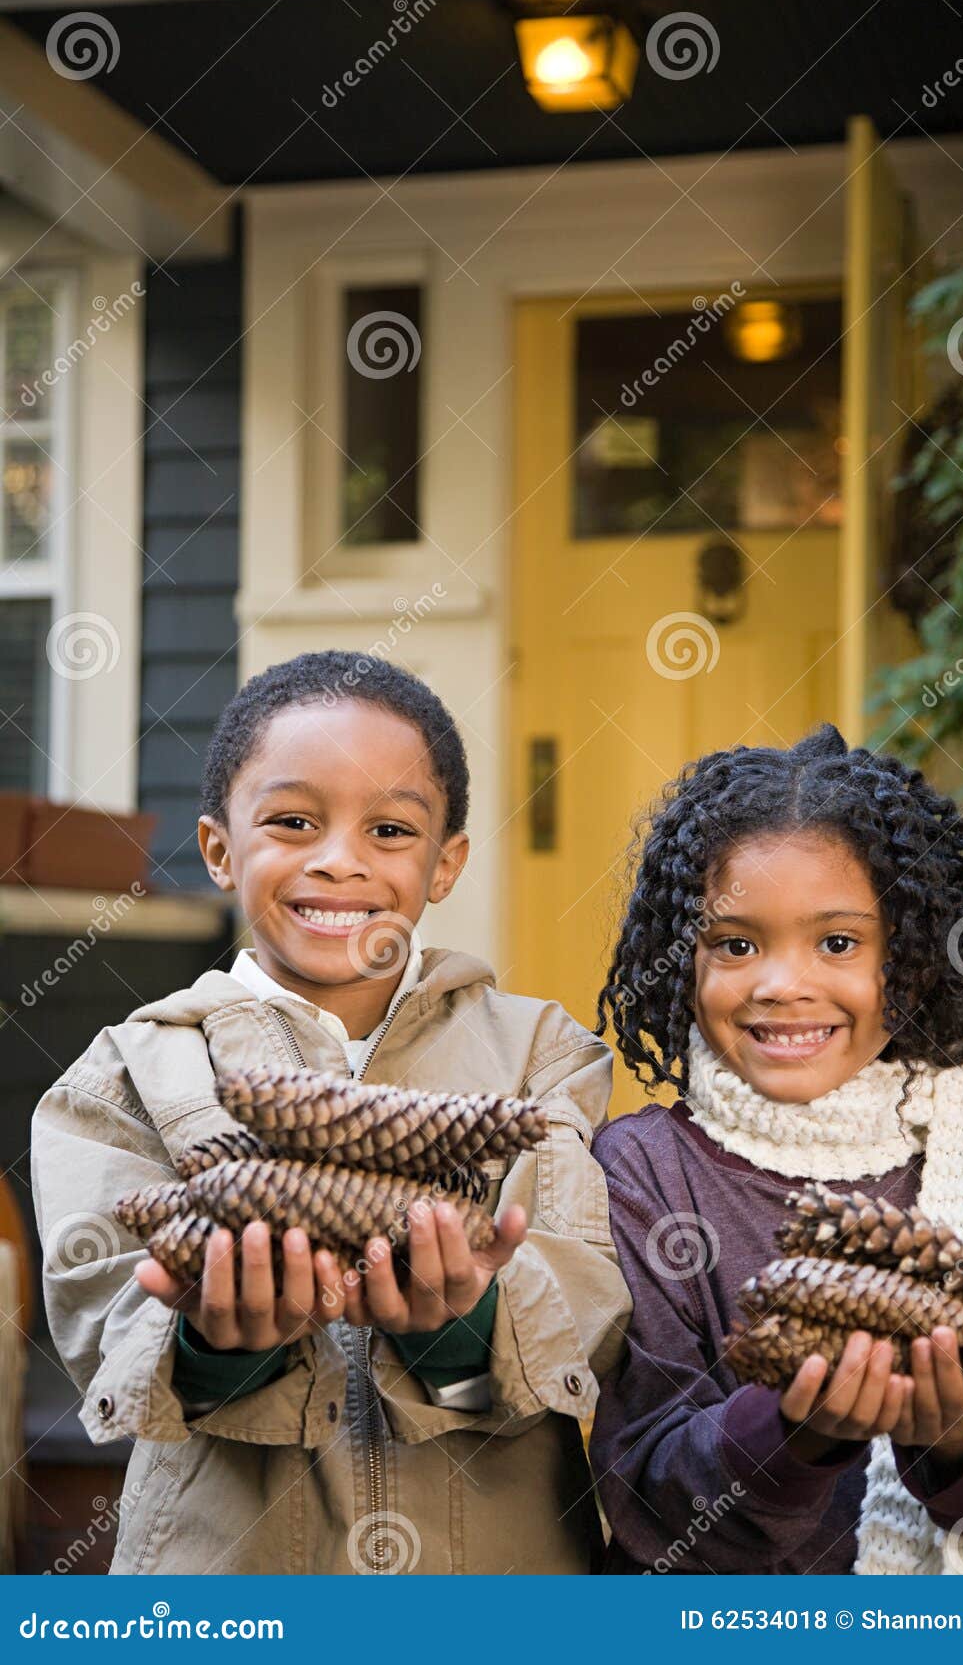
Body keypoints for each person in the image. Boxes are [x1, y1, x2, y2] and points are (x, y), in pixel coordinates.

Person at [32, 651, 629, 1575]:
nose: (339, 859)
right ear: (220, 848)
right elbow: (107, 1338)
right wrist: (216, 1346)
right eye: (292, 820)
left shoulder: (540, 1060)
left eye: (390, 829)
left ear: (445, 863)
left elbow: (580, 1304)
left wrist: (457, 1329)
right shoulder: (120, 1078)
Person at [590, 724, 963, 1575]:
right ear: (681, 964)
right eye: (735, 944)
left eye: (838, 943)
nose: (782, 984)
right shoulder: (641, 1172)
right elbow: (644, 1500)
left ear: (913, 961)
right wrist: (790, 1434)